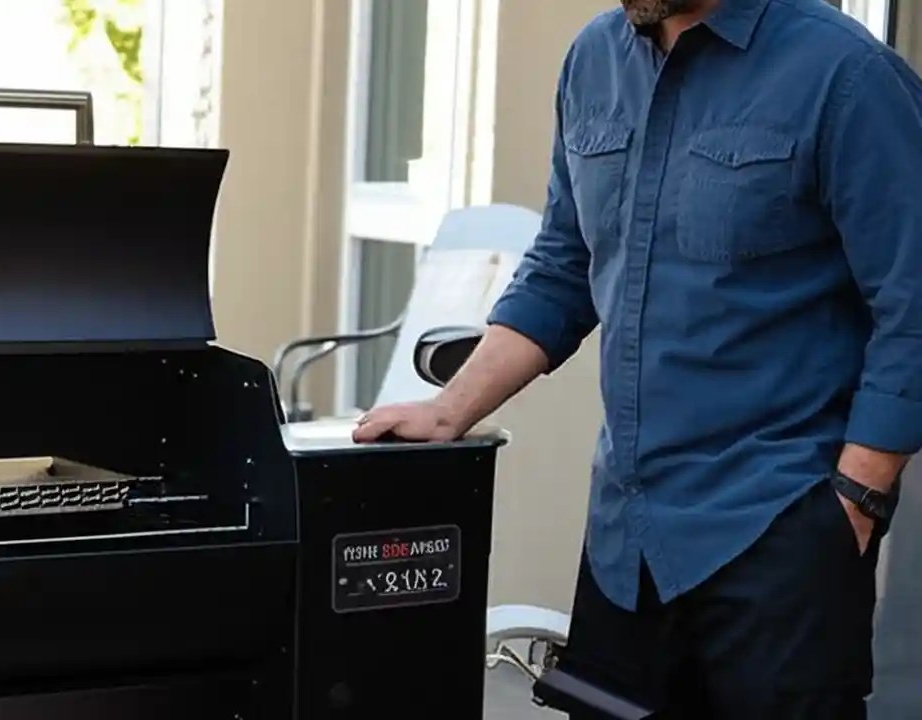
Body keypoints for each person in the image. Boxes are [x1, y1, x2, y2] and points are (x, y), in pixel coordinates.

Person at [352, 0, 922, 717]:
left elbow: (914, 304)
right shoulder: (594, 61)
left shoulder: (847, 75)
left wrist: (858, 501)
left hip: (778, 534)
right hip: (627, 543)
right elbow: (564, 265)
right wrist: (447, 410)